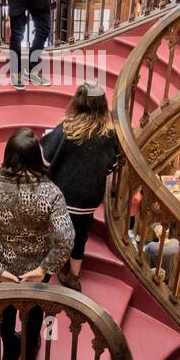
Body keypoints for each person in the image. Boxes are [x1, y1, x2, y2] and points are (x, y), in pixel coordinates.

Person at [0, 128, 74, 360]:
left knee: (5, 309)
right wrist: (45, 269)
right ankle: (30, 347)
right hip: (36, 267)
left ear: (7, 156)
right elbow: (66, 238)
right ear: (37, 156)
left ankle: (10, 350)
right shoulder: (52, 193)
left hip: (4, 263)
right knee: (34, 309)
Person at [40, 81, 119, 289]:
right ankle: (74, 276)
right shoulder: (108, 135)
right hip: (88, 200)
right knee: (80, 235)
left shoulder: (66, 129)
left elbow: (44, 159)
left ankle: (56, 265)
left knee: (57, 230)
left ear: (77, 102)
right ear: (103, 105)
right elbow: (112, 165)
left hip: (62, 196)